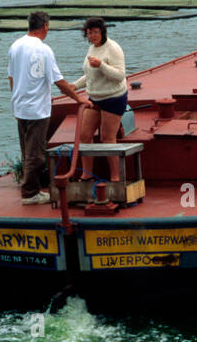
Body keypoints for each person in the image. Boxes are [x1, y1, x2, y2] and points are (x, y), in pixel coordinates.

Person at [8, 11, 90, 204]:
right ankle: (30, 193)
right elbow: (59, 81)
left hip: (20, 106)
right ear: (45, 26)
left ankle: (28, 186)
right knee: (36, 154)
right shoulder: (44, 50)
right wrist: (78, 99)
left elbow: (11, 77)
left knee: (26, 150)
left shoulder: (15, 46)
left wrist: (15, 99)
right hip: (37, 108)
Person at [72, 17, 128, 183]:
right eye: (89, 33)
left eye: (96, 32)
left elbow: (120, 76)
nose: (92, 36)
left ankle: (116, 178)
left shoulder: (113, 48)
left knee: (107, 137)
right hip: (94, 97)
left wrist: (102, 66)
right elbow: (90, 73)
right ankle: (87, 175)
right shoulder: (91, 49)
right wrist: (74, 85)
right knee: (84, 134)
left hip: (113, 97)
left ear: (102, 32)